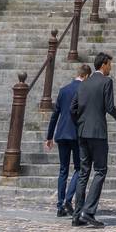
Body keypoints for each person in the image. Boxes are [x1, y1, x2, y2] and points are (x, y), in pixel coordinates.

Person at [71, 51, 116, 228]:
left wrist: (80, 124)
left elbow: (73, 108)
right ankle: (89, 211)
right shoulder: (106, 82)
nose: (111, 67)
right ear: (103, 64)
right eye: (110, 64)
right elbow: (109, 107)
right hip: (98, 133)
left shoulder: (84, 83)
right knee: (100, 170)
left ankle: (76, 214)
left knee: (83, 172)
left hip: (82, 131)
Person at [45, 62, 91, 218]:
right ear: (85, 76)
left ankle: (59, 205)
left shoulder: (63, 90)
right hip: (77, 134)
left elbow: (55, 114)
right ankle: (68, 199)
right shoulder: (84, 89)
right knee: (79, 168)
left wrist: (49, 136)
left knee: (63, 169)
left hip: (61, 133)